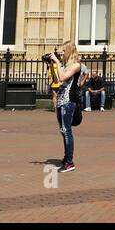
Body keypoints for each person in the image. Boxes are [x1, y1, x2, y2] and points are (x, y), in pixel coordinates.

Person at [51, 41, 84, 172]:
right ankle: (66, 159)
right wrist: (52, 66)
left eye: (64, 51)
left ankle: (69, 161)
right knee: (63, 131)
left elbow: (64, 77)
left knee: (66, 130)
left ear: (70, 51)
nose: (62, 53)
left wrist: (57, 63)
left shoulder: (76, 65)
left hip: (69, 101)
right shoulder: (65, 65)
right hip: (60, 100)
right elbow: (57, 80)